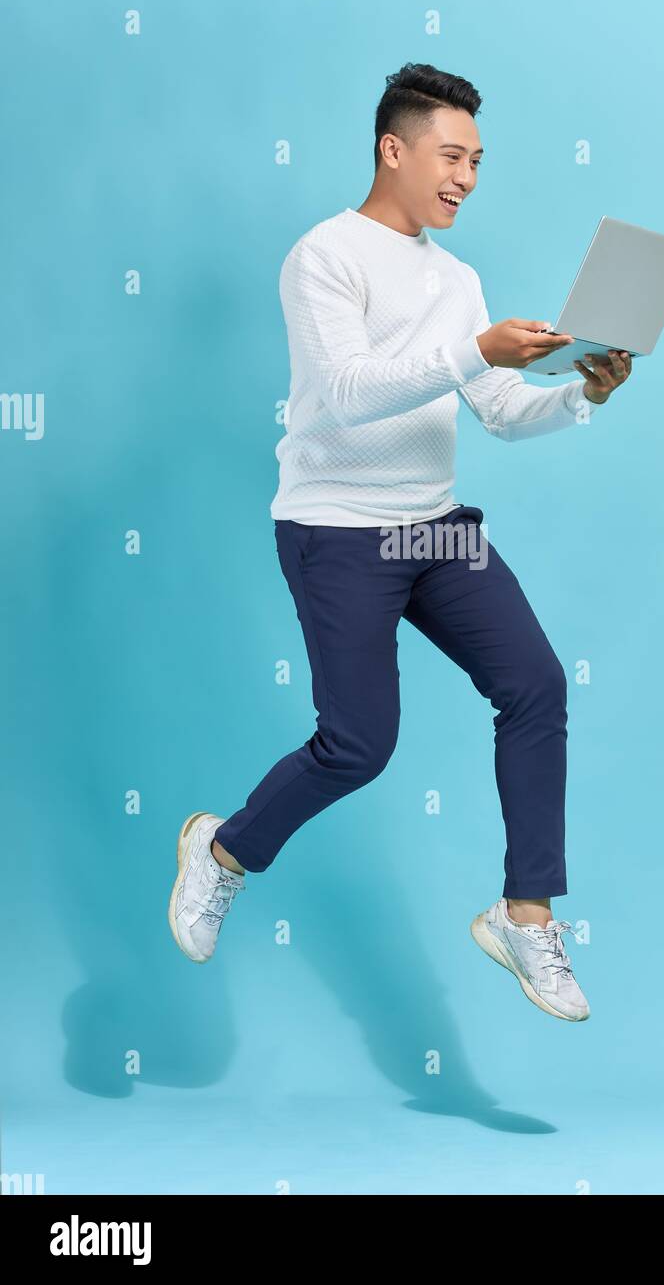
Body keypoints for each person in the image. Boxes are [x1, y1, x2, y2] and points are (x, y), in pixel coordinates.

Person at [168, 63, 631, 1020]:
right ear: (394, 148)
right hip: (337, 532)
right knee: (357, 744)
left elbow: (496, 413)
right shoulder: (322, 256)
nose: (465, 177)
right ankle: (223, 849)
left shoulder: (456, 277)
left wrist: (578, 393)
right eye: (450, 155)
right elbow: (347, 393)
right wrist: (475, 350)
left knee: (536, 686)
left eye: (476, 162)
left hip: (436, 531)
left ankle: (524, 913)